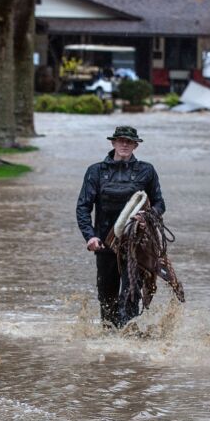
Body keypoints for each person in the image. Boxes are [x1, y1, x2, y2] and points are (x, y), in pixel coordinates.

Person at [76, 125, 165, 328]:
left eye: (129, 142)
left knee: (131, 296)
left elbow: (160, 203)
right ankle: (110, 342)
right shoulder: (96, 171)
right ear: (113, 143)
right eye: (121, 140)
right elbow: (83, 207)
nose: (125, 144)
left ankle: (127, 342)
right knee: (107, 297)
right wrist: (89, 236)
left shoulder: (146, 171)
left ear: (135, 145)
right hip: (104, 245)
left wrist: (147, 215)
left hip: (135, 245)